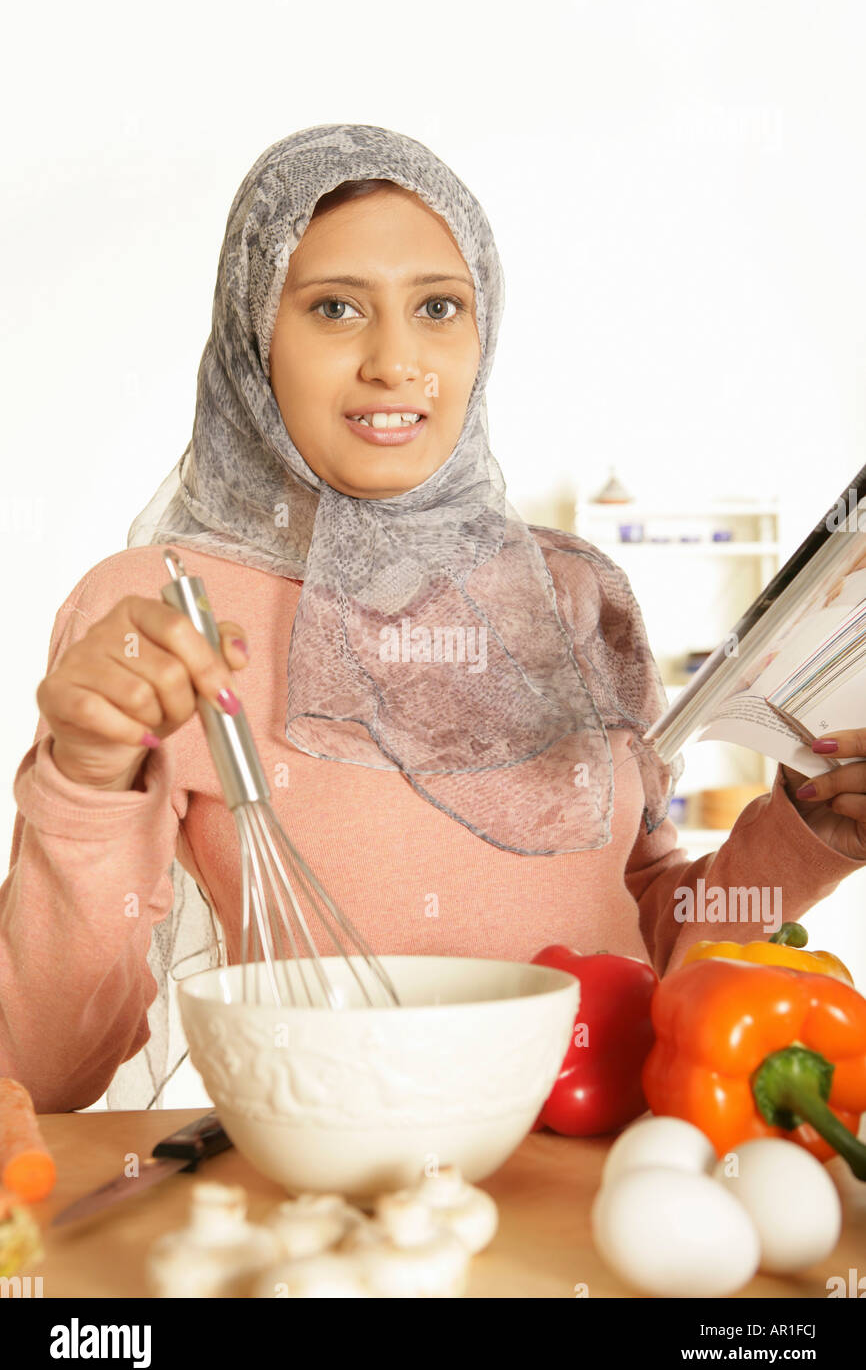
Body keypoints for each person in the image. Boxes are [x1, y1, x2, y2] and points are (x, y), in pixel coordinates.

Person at [2, 124, 863, 1116]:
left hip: (609, 1175)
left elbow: (653, 953)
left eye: (438, 308)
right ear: (253, 335)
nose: (394, 361)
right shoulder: (161, 612)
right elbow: (41, 1070)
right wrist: (85, 776)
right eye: (334, 307)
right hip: (345, 1175)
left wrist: (801, 838)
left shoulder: (573, 594)